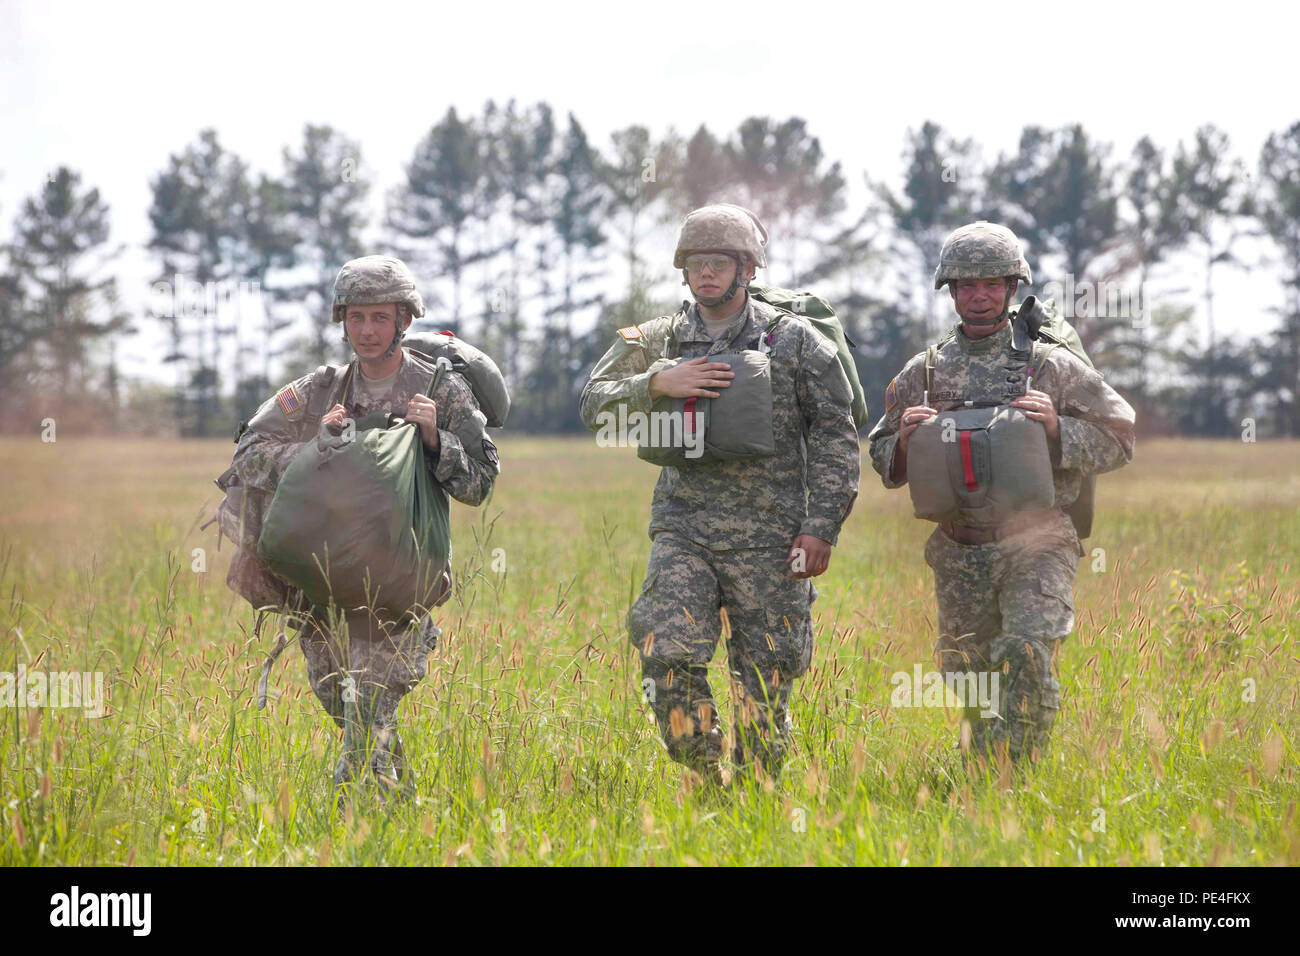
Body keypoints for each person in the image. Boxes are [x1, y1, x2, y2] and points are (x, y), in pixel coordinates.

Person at [580, 204, 860, 786]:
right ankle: (706, 780)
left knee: (764, 684)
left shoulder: (795, 341)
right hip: (685, 530)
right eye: (696, 263)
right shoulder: (657, 339)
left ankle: (757, 794)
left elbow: (836, 434)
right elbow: (592, 403)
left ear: (748, 269)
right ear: (683, 270)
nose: (706, 274)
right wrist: (656, 381)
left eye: (720, 263)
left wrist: (822, 526)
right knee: (664, 652)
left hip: (774, 536)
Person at [214, 255, 499, 803]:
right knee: (341, 702)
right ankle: (402, 804)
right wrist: (312, 445)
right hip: (322, 587)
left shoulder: (440, 389)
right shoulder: (321, 391)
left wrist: (437, 440)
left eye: (380, 318)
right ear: (342, 321)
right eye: (356, 318)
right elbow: (247, 455)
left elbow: (480, 483)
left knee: (367, 700)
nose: (367, 331)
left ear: (404, 320)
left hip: (399, 585)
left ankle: (351, 821)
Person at [866, 221, 1135, 763]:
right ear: (951, 291)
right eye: (966, 285)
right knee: (967, 673)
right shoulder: (926, 370)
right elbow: (881, 456)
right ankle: (983, 769)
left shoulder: (1047, 364)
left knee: (1027, 652)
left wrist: (1059, 428)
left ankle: (1010, 779)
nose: (979, 295)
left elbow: (1121, 437)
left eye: (992, 283)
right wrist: (906, 442)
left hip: (1038, 541)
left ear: (1013, 288)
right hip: (959, 546)